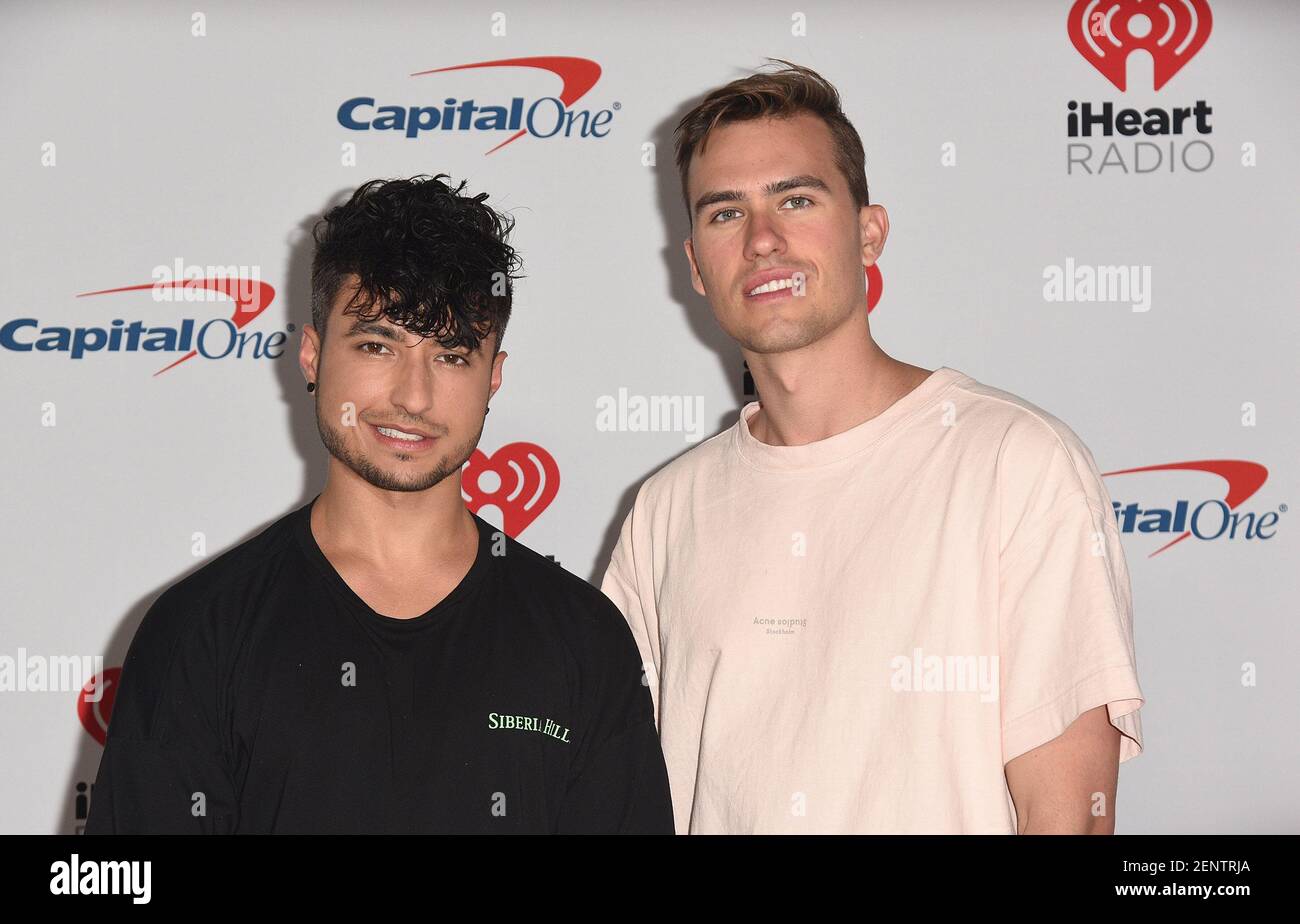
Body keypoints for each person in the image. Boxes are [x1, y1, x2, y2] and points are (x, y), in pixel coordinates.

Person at [599, 62, 1144, 834]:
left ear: (869, 231)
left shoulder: (1014, 461)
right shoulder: (666, 508)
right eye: (725, 214)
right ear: (695, 265)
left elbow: (1071, 818)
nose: (763, 240)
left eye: (796, 199)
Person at [86, 175, 673, 834]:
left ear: (493, 378)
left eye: (451, 355)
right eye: (378, 345)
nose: (413, 397)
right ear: (312, 356)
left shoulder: (582, 639)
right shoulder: (202, 632)